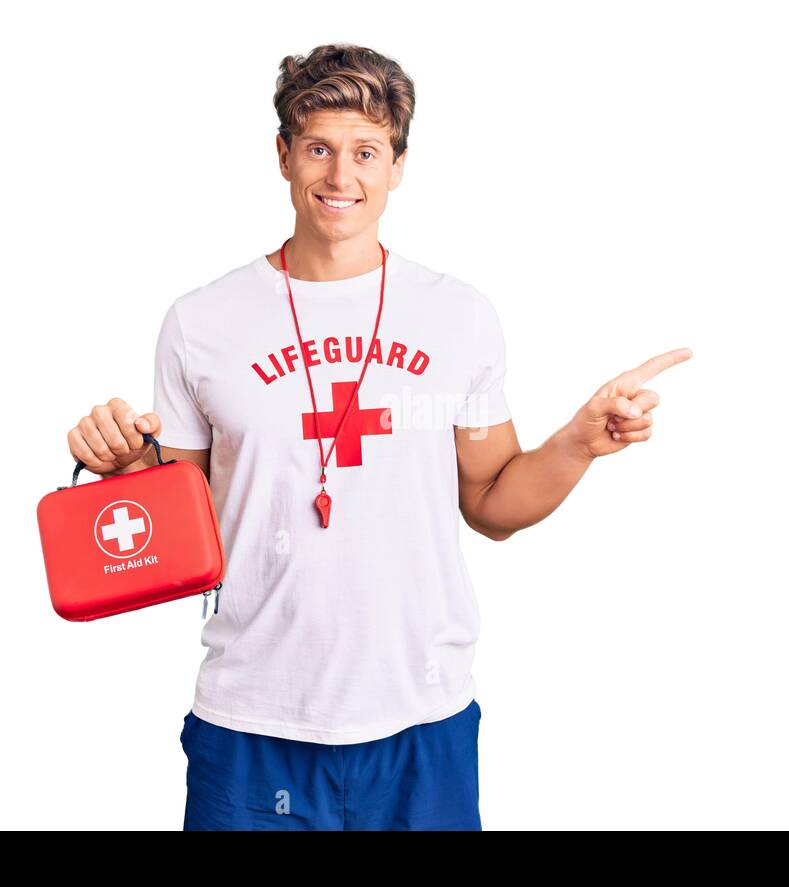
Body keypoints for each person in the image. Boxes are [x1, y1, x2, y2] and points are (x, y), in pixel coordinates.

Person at [66, 43, 692, 830]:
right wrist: (124, 472)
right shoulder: (202, 322)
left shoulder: (457, 315)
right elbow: (184, 528)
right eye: (319, 149)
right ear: (283, 156)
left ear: (397, 164)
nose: (340, 177)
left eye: (366, 152)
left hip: (420, 719)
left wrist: (578, 442)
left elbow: (493, 504)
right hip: (253, 719)